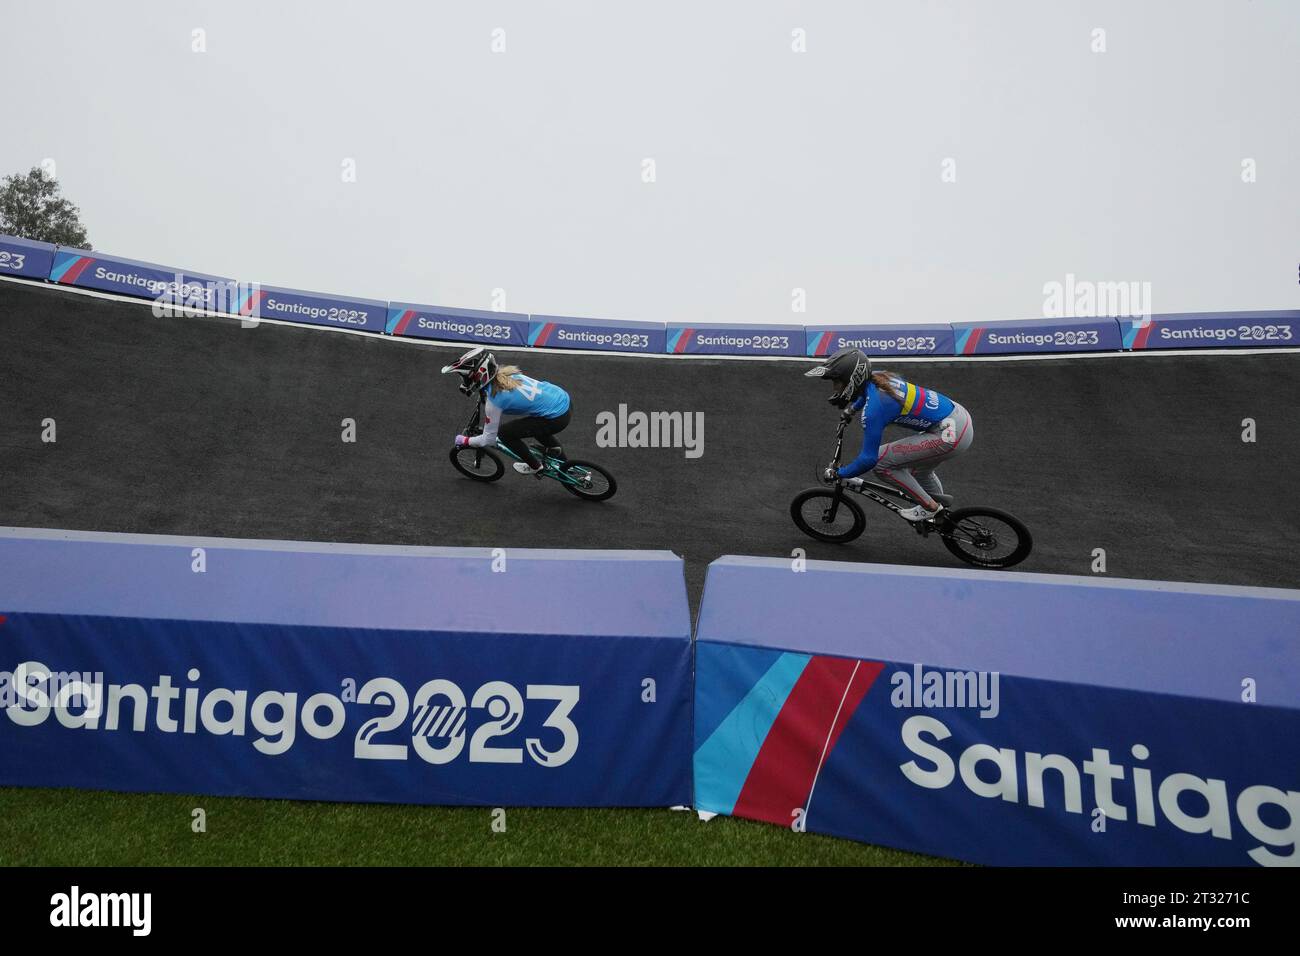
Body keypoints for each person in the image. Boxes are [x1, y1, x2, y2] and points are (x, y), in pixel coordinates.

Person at [804, 347, 973, 522]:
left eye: (838, 382)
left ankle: (930, 508)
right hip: (959, 419)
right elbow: (866, 393)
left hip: (949, 435)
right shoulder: (879, 377)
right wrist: (851, 410)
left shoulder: (874, 411)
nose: (836, 387)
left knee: (881, 462)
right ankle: (939, 509)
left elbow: (869, 459)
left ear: (852, 379)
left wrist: (841, 473)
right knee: (918, 469)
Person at [442, 347, 572, 475]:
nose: (464, 382)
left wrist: (464, 441)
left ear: (478, 376)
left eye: (466, 378)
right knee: (534, 423)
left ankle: (535, 466)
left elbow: (489, 439)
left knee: (505, 433)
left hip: (557, 418)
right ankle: (561, 458)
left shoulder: (495, 401)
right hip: (563, 399)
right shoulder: (507, 373)